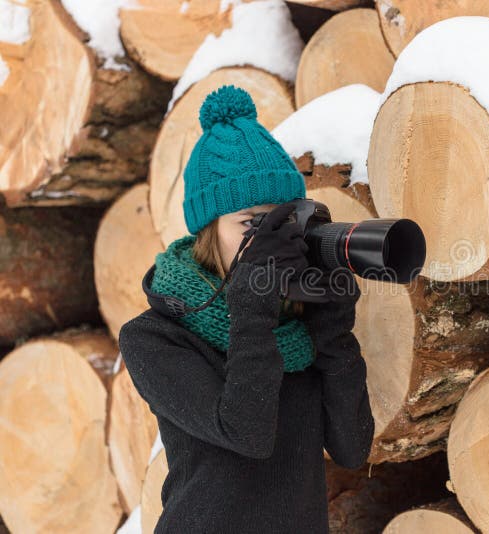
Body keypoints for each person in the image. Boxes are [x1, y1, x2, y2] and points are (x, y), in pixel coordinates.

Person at [118, 84, 374, 533]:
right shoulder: (153, 336)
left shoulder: (296, 325)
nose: (272, 240)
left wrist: (333, 334)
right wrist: (252, 313)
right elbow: (246, 433)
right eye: (252, 223)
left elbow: (353, 449)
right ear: (207, 230)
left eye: (282, 221)